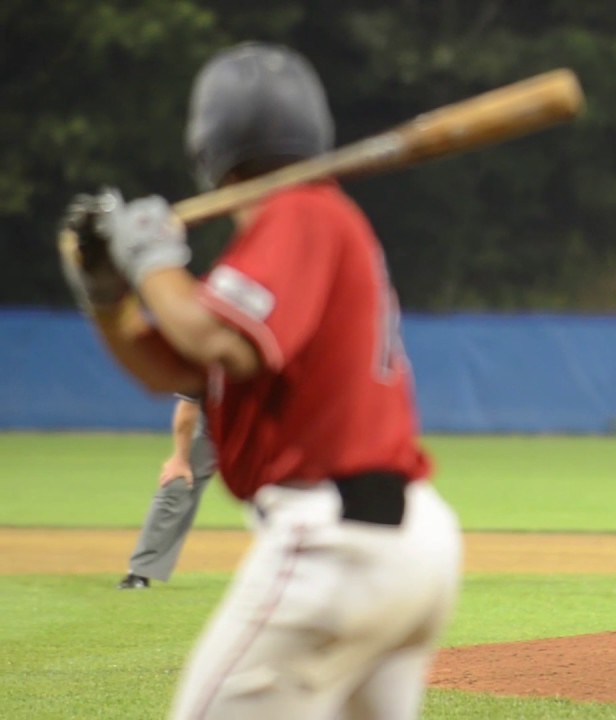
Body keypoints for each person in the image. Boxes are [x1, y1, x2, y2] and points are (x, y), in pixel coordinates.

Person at [58, 42, 462, 717]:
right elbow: (172, 365)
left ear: (206, 145)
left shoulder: (299, 212)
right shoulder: (303, 226)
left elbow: (220, 341)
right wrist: (108, 296)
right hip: (402, 542)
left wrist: (151, 257)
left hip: (334, 543)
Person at [117, 395, 217, 590]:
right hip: (215, 428)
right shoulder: (205, 375)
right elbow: (188, 407)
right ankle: (140, 573)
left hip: (269, 426)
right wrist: (180, 458)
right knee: (177, 483)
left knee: (279, 491)